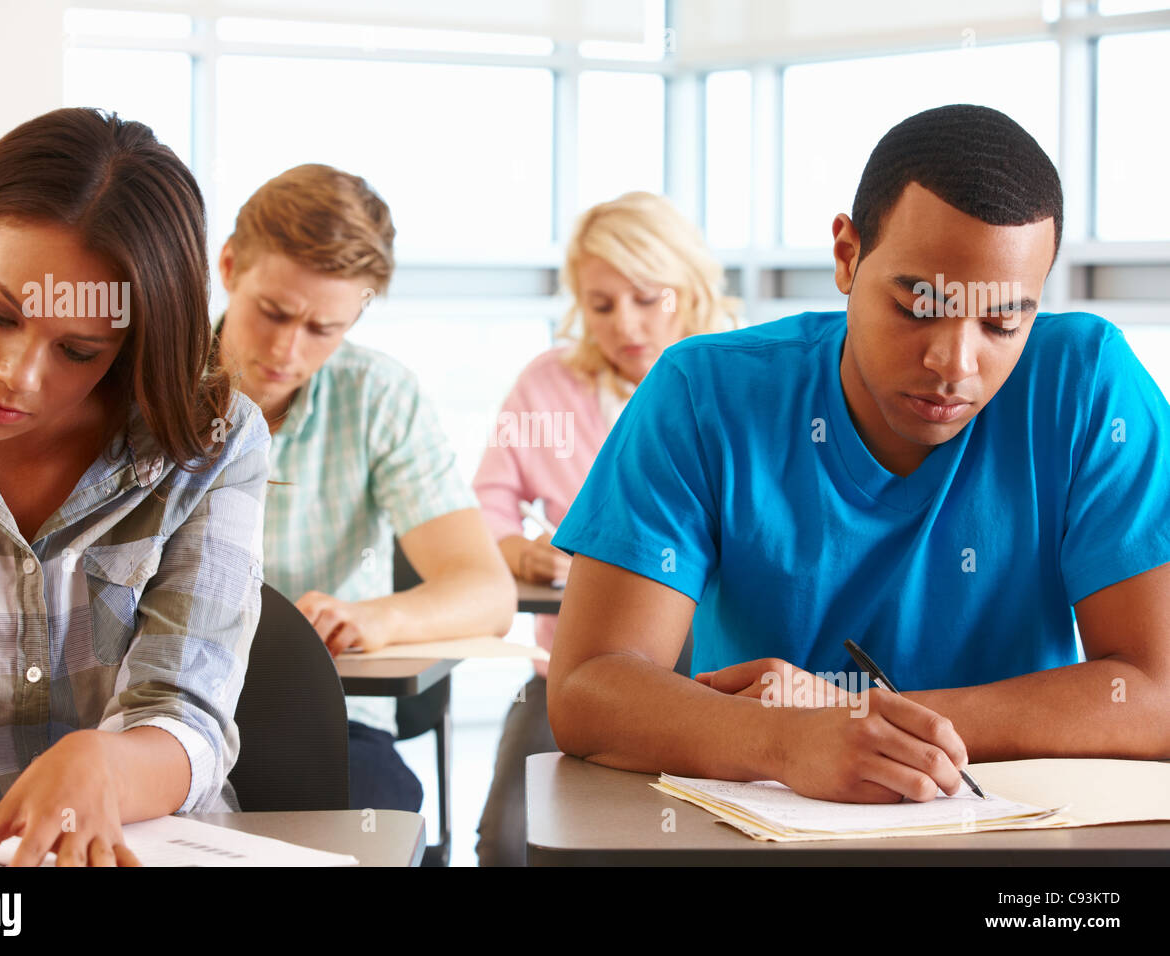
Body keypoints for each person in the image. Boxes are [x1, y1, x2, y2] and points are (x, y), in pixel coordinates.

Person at [548, 104, 1170, 803]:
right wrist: (783, 743)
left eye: (1002, 321)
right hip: (764, 837)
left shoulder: (1088, 384)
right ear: (847, 256)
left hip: (1012, 844)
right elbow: (587, 687)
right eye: (918, 306)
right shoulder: (701, 393)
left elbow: (1158, 690)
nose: (953, 363)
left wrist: (854, 719)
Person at [0, 108, 269, 867]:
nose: (16, 377)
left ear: (131, 343)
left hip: (141, 845)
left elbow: (189, 711)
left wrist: (108, 765)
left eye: (79, 350)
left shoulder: (210, 439)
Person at [213, 164, 516, 814]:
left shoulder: (379, 396)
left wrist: (377, 617)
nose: (287, 350)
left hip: (329, 719)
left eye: (324, 329)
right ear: (231, 265)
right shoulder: (143, 383)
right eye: (272, 312)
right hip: (159, 709)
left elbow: (489, 593)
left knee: (377, 814)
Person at [472, 192, 737, 865]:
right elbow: (488, 502)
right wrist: (518, 552)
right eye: (602, 304)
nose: (626, 324)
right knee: (506, 841)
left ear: (690, 288)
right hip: (577, 665)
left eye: (649, 298)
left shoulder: (742, 379)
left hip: (725, 675)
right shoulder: (548, 385)